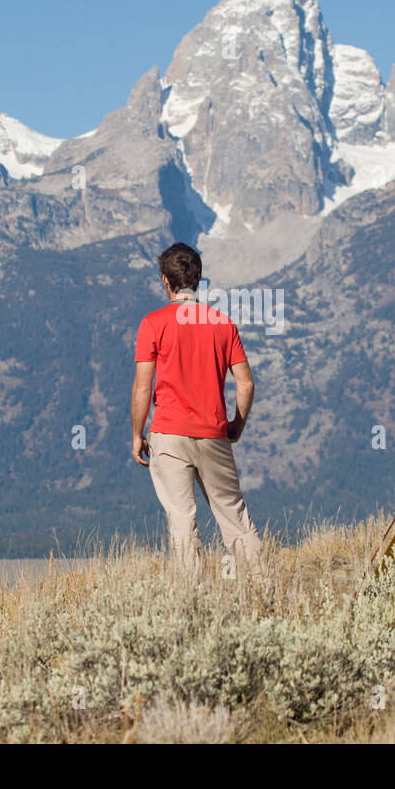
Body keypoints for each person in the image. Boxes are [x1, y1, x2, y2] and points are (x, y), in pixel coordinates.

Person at [131, 242, 262, 574]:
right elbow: (245, 384)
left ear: (165, 281)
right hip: (213, 434)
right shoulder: (222, 323)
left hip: (169, 433)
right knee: (233, 516)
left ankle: (194, 602)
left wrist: (137, 433)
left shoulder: (152, 323)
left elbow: (143, 386)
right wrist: (237, 425)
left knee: (182, 521)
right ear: (199, 280)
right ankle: (262, 590)